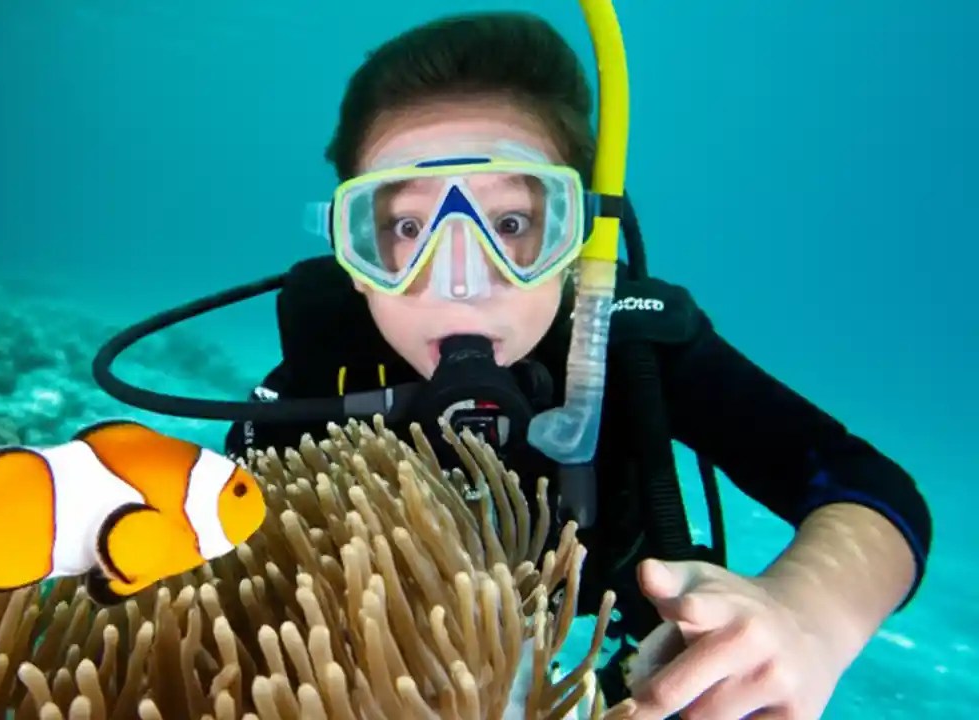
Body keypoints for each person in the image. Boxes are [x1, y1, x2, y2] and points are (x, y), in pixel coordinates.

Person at [90, 7, 933, 720]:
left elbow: (870, 487)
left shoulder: (631, 343)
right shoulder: (326, 361)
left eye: (515, 225)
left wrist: (808, 615)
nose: (460, 281)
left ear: (580, 241)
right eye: (409, 229)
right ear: (353, 254)